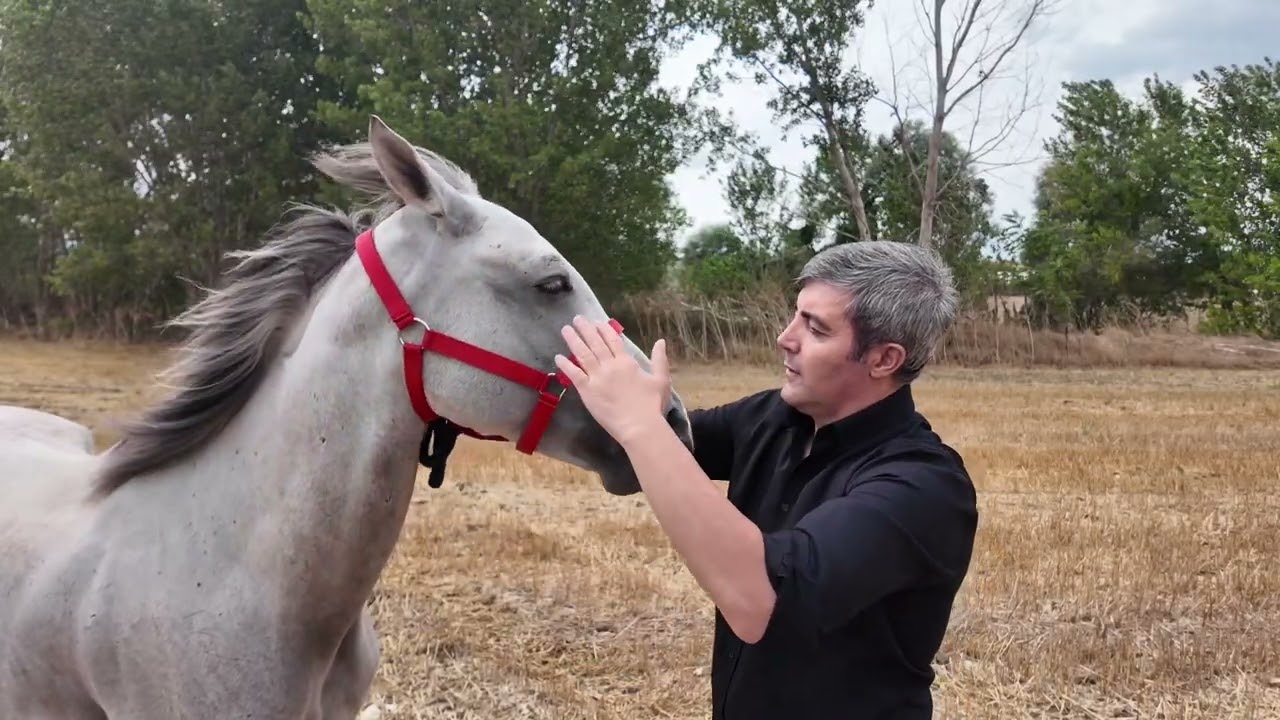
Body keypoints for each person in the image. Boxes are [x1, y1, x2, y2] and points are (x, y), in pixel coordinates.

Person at [554, 239, 978, 720]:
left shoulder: (923, 487)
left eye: (816, 329)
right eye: (796, 315)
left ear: (884, 360)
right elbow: (649, 448)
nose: (785, 337)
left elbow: (760, 599)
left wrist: (640, 426)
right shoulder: (771, 418)